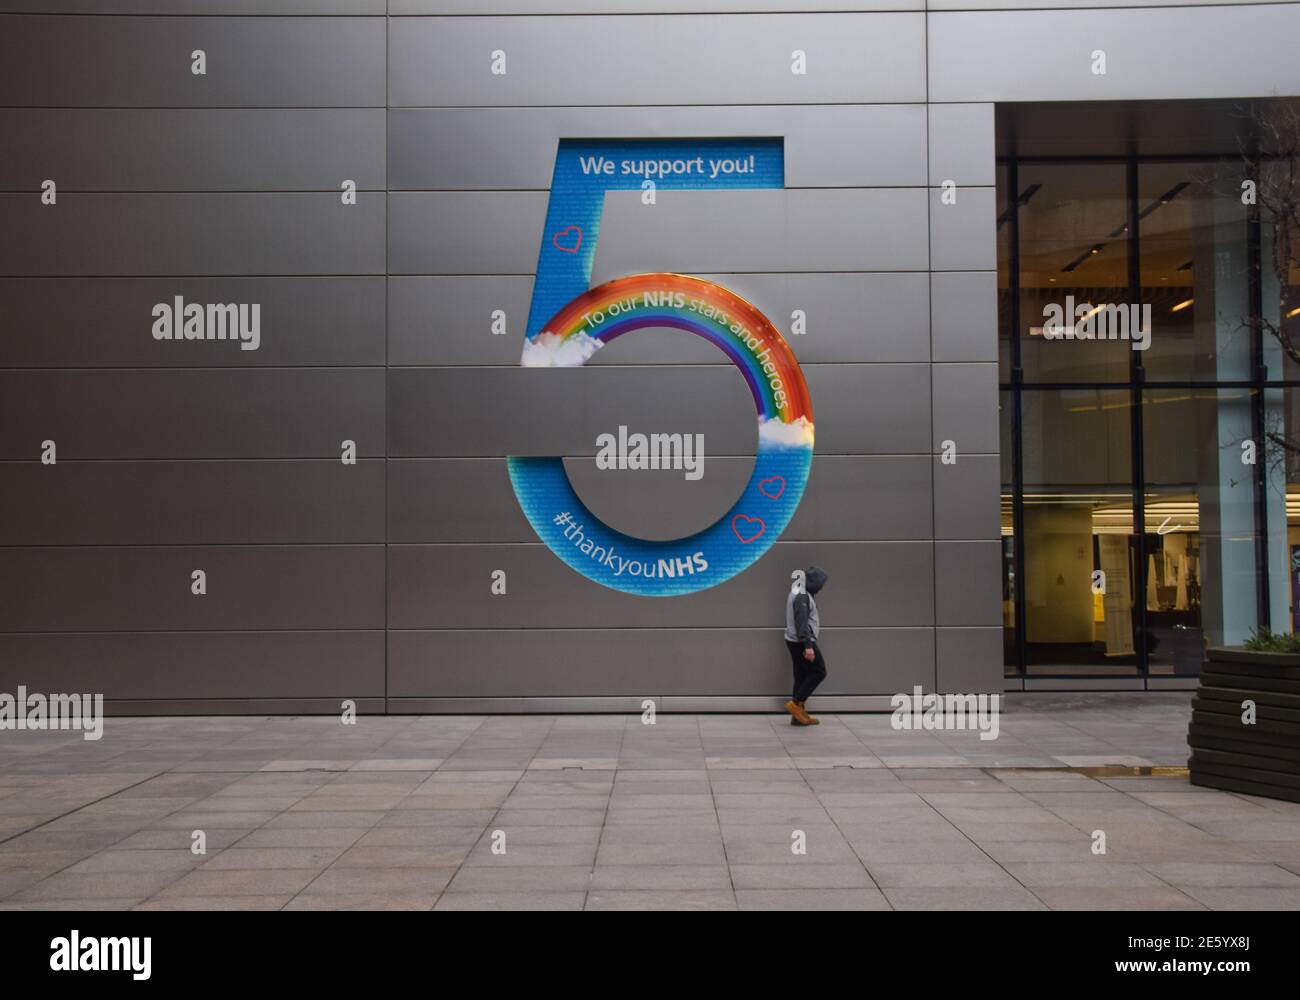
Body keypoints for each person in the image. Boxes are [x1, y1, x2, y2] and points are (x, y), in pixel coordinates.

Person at [784, 566, 828, 726]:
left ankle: (798, 717)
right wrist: (808, 646)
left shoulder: (801, 591)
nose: (821, 588)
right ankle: (796, 705)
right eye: (820, 584)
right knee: (819, 672)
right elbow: (801, 623)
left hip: (795, 640)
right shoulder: (802, 596)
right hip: (801, 641)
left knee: (801, 676)